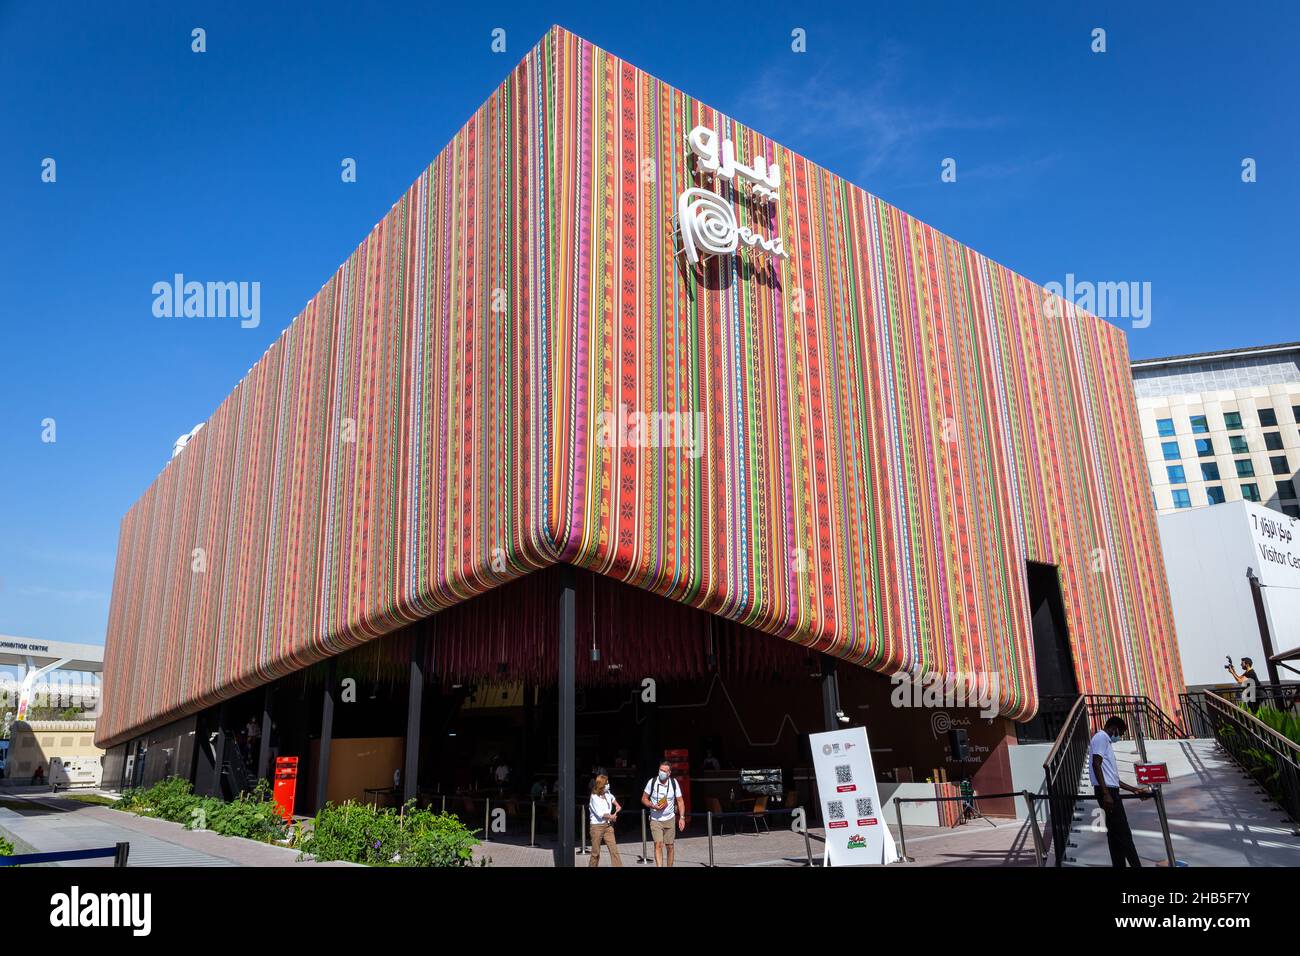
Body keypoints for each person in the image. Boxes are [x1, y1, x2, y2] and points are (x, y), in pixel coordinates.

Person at [1089, 717, 1152, 867]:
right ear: (1114, 728)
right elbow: (1096, 764)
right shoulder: (1101, 738)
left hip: (1110, 790)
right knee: (1124, 834)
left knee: (1115, 835)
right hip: (1107, 792)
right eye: (1120, 732)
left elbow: (1112, 778)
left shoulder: (1106, 741)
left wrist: (1134, 790)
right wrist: (1106, 794)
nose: (1120, 736)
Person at [641, 760, 686, 867]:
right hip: (655, 820)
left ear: (669, 773)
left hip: (670, 819)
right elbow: (644, 799)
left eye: (664, 771)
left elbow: (680, 801)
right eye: (660, 770)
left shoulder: (674, 783)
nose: (661, 772)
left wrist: (682, 817)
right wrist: (652, 805)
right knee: (658, 845)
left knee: (670, 846)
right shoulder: (652, 782)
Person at [588, 774, 623, 867]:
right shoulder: (594, 797)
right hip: (597, 827)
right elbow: (601, 814)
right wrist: (612, 817)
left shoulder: (607, 794)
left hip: (608, 826)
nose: (608, 785)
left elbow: (612, 798)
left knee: (614, 851)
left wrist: (617, 805)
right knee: (595, 853)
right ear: (601, 785)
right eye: (606, 783)